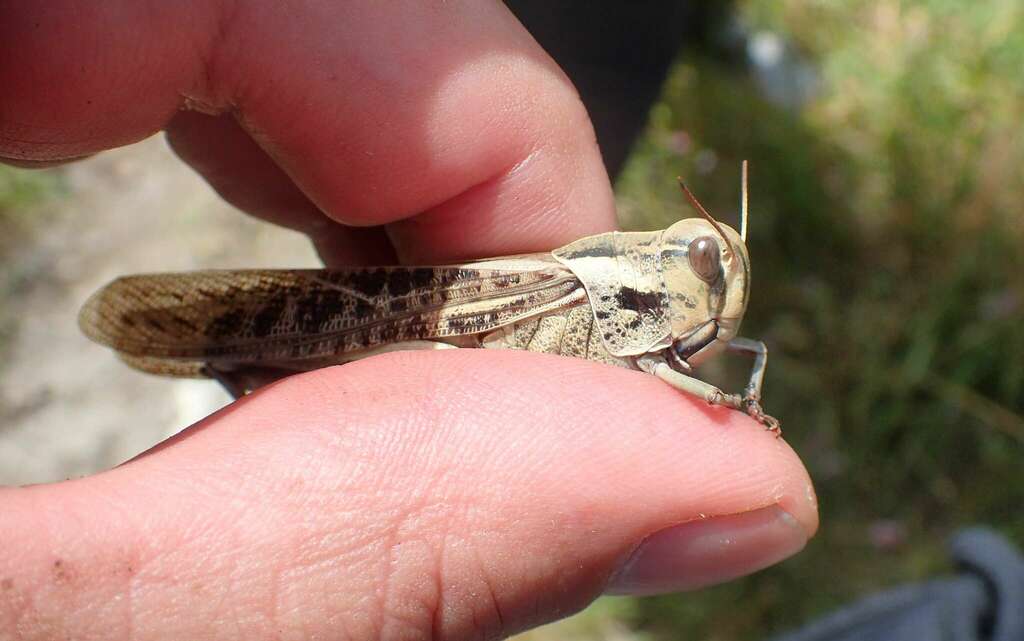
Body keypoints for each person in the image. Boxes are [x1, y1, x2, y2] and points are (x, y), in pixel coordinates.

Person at [0, 3, 817, 639]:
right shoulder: (586, 289)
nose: (716, 290)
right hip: (418, 318)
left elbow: (741, 355)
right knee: (373, 325)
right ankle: (244, 386)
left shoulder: (687, 333)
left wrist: (744, 398)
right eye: (703, 259)